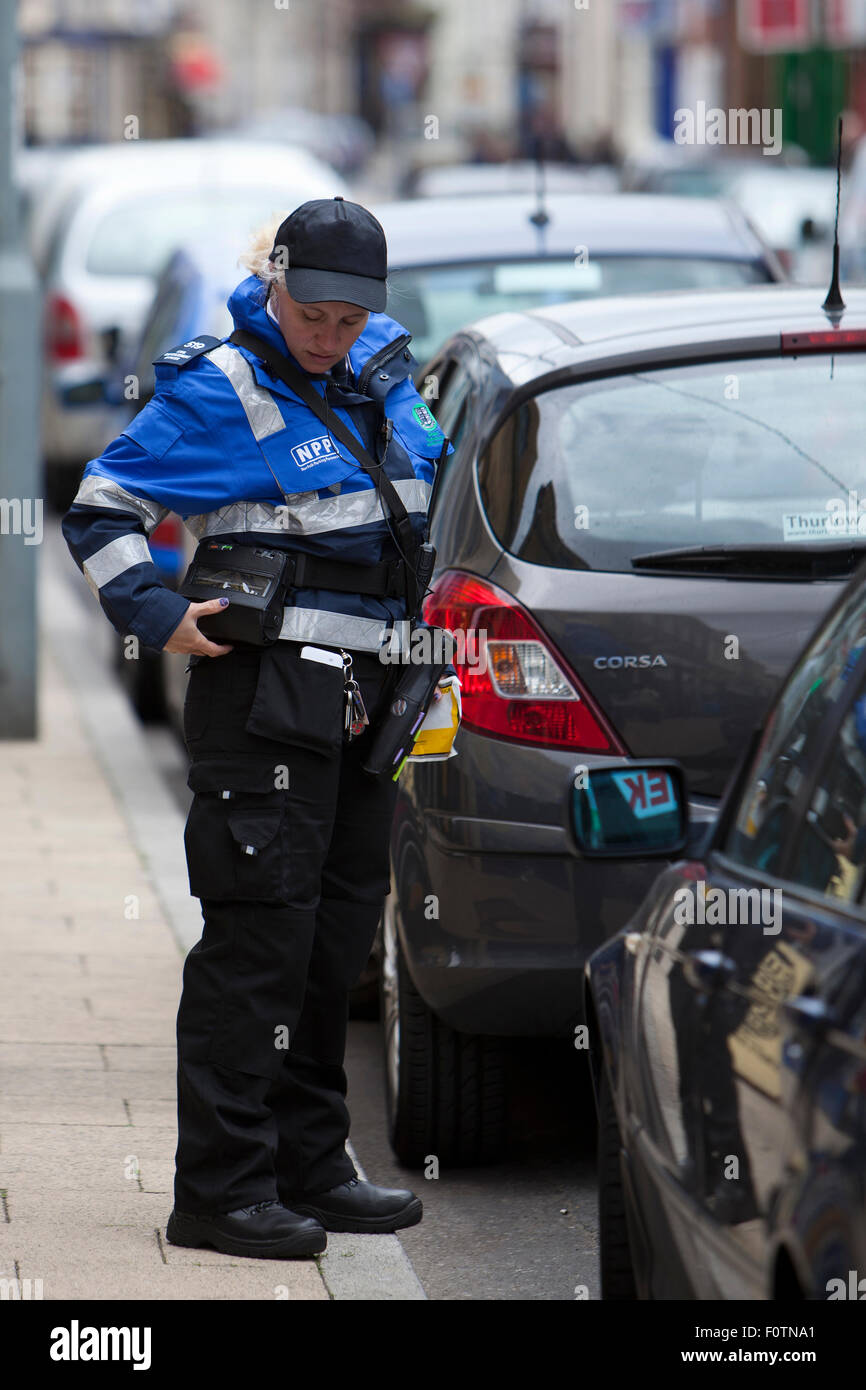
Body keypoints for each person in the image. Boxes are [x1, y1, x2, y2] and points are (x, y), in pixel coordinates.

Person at [62, 195, 454, 1260]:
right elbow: (101, 506)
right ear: (274, 282)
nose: (327, 335)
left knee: (330, 950)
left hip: (364, 705)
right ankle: (220, 1190)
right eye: (311, 314)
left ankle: (309, 1164)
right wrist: (157, 614)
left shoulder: (384, 376)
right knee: (257, 951)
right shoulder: (222, 387)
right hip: (263, 707)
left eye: (346, 318)